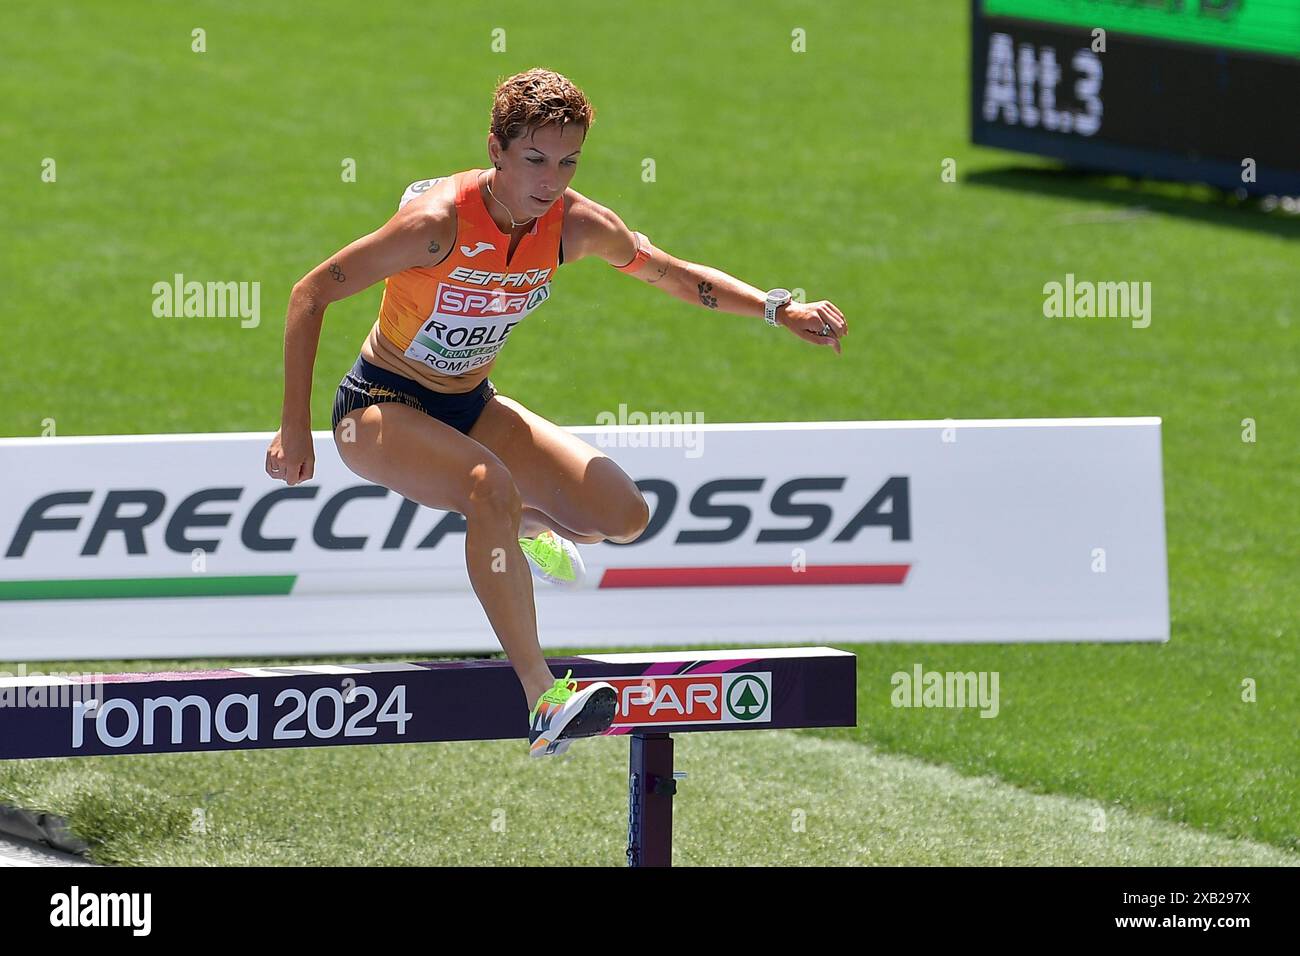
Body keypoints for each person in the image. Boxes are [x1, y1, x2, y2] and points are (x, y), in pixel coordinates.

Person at [265, 68, 848, 758]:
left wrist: (780, 310)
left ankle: (526, 523)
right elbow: (309, 295)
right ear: (496, 149)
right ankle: (542, 696)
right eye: (535, 160)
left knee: (621, 516)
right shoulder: (433, 226)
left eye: (568, 161)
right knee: (488, 486)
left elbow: (669, 274)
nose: (551, 180)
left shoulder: (576, 225)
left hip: (470, 405)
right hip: (377, 408)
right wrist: (293, 426)